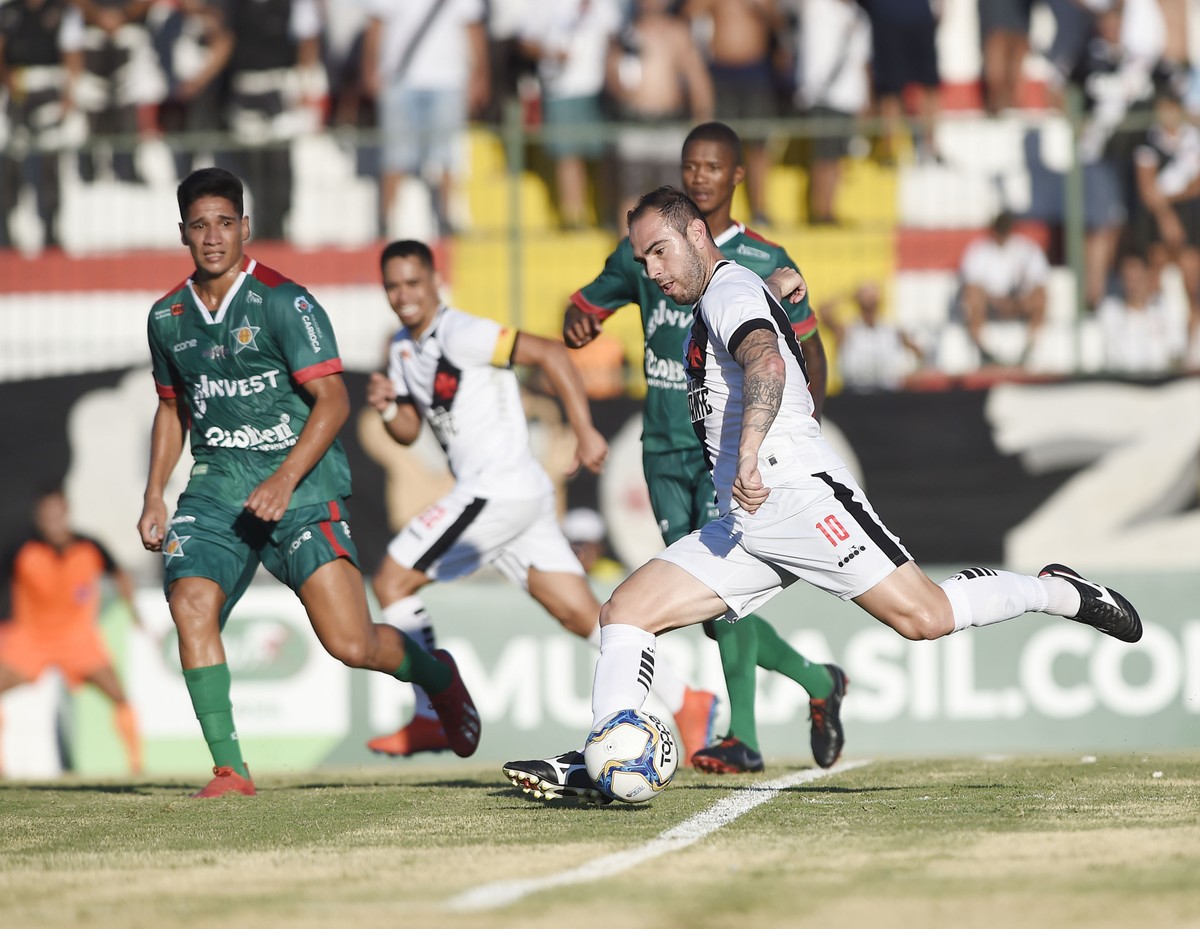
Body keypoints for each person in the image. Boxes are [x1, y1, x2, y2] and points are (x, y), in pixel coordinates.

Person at [504, 186, 1143, 804]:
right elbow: (757, 321)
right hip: (746, 522)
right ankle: (606, 752)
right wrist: (777, 290)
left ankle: (1059, 591)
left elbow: (766, 361)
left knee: (926, 618)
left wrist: (748, 452)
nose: (652, 271)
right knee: (625, 613)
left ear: (697, 234)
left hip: (799, 498)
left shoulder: (726, 292)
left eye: (659, 252)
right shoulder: (730, 288)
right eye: (643, 259)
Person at [137, 168, 479, 798]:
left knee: (352, 643)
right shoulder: (167, 317)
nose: (212, 237)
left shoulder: (283, 302)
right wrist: (155, 492)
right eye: (200, 225)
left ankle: (436, 676)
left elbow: (334, 399)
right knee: (190, 603)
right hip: (216, 489)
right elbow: (171, 407)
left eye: (224, 223)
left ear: (245, 226)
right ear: (182, 232)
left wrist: (284, 478)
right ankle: (230, 770)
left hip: (301, 491)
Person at [543, 121, 847, 779]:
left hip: (725, 449)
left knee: (719, 598)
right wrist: (579, 320)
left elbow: (810, 349)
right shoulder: (647, 249)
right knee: (707, 609)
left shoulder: (763, 259)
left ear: (737, 176)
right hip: (662, 447)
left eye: (713, 167)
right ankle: (819, 681)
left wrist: (803, 426)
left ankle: (743, 735)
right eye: (691, 166)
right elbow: (587, 306)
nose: (700, 176)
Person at [362, 240, 719, 765]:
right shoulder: (400, 348)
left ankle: (431, 710)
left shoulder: (463, 332)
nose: (403, 295)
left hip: (496, 489)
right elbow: (410, 429)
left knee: (391, 582)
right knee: (579, 613)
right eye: (393, 286)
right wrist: (391, 409)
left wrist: (584, 430)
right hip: (515, 498)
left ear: (435, 282)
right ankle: (687, 699)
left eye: (413, 282)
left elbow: (550, 353)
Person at [0, 488, 144, 775]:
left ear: (66, 512)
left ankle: (137, 766)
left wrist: (133, 611)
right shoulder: (22, 547)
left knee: (120, 696)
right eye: (46, 514)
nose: (52, 520)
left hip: (77, 639)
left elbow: (120, 574)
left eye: (57, 512)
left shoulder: (90, 545)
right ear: (39, 517)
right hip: (30, 638)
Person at [361, 0, 490, 238]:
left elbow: (473, 27)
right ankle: (384, 222)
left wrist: (480, 74)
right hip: (398, 79)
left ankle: (446, 219)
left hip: (449, 80)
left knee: (447, 155)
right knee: (395, 155)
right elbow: (376, 25)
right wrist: (369, 68)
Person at [605, 0, 713, 224]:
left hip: (671, 126)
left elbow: (698, 80)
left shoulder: (678, 32)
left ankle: (671, 247)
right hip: (634, 125)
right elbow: (611, 81)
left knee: (674, 200)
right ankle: (630, 247)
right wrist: (619, 74)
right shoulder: (625, 33)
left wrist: (703, 125)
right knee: (631, 198)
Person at [520, 0, 622, 229]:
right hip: (560, 89)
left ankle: (607, 215)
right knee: (568, 156)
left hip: (600, 88)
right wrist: (552, 54)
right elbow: (525, 42)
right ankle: (574, 219)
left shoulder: (607, 5)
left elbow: (614, 37)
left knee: (604, 156)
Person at [684, 0, 783, 226]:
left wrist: (762, 8)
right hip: (720, 72)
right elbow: (688, 14)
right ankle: (712, 210)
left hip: (756, 71)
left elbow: (779, 23)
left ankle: (759, 209)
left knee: (758, 145)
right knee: (718, 148)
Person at [0, 0, 84, 251]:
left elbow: (72, 54)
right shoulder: (8, 12)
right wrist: (6, 80)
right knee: (10, 163)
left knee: (48, 164)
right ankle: (5, 230)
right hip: (17, 92)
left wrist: (69, 94)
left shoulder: (61, 10)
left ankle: (49, 228)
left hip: (49, 89)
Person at [957, 209, 1049, 366]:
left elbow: (1039, 283)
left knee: (1040, 297)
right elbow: (971, 286)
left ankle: (1029, 349)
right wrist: (998, 302)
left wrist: (1016, 302)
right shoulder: (978, 250)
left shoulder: (1027, 249)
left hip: (1018, 303)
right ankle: (983, 350)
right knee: (972, 298)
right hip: (990, 305)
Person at [822, 281, 925, 391]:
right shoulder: (847, 330)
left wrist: (910, 375)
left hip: (887, 392)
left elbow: (919, 352)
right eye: (867, 295)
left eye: (873, 294)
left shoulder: (892, 330)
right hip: (854, 391)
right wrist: (847, 296)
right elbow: (824, 312)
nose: (871, 298)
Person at [1095, 253, 1186, 375]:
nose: (1133, 286)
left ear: (1147, 276)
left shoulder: (1165, 309)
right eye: (1128, 280)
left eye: (1137, 279)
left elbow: (1176, 354)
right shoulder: (1110, 312)